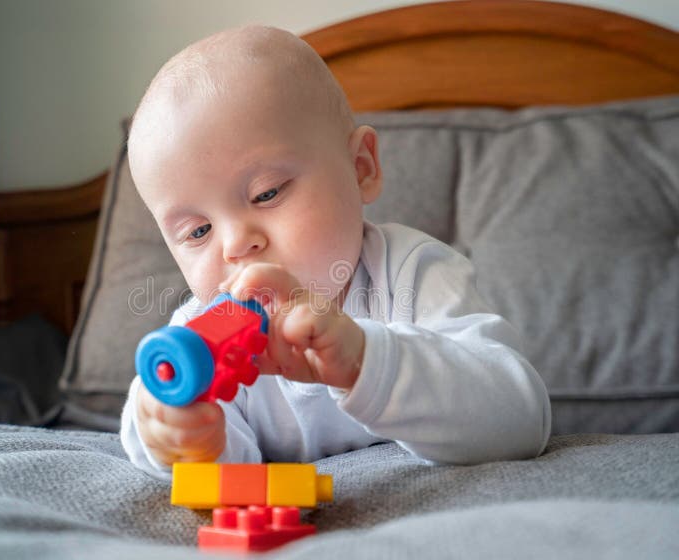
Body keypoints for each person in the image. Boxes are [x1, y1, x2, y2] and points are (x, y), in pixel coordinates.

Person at [120, 25, 551, 480]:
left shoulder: (410, 273)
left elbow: (521, 417)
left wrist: (364, 361)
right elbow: (213, 467)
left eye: (266, 194)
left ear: (361, 168)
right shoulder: (199, 336)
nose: (234, 244)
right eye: (198, 231)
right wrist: (185, 437)